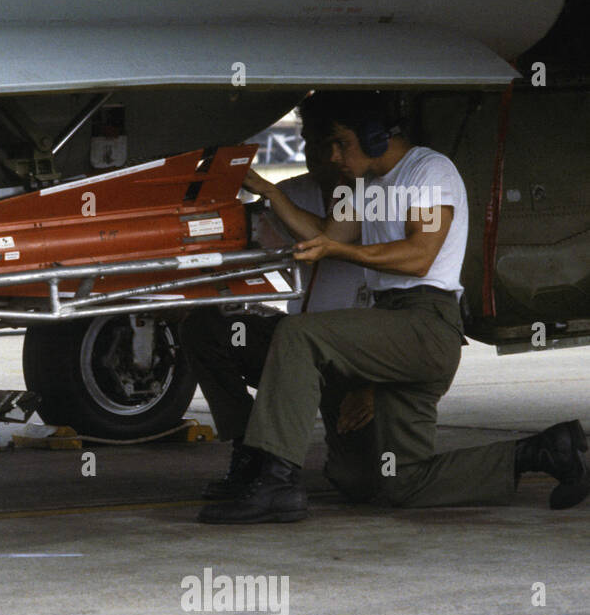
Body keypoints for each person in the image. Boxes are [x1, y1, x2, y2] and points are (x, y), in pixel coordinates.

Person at [199, 92, 589, 523]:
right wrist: (270, 191)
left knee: (299, 334)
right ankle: (543, 451)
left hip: (426, 323)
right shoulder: (366, 188)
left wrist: (339, 250)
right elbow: (322, 234)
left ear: (374, 136)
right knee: (384, 482)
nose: (332, 156)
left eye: (340, 143)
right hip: (393, 328)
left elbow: (419, 256)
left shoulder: (429, 171)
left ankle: (275, 482)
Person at [181, 95, 375, 501]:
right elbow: (238, 246)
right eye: (309, 139)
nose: (316, 152)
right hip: (295, 349)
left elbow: (325, 235)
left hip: (357, 361)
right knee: (206, 327)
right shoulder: (291, 192)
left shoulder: (376, 196)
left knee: (360, 481)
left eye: (329, 142)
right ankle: (249, 446)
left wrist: (374, 388)